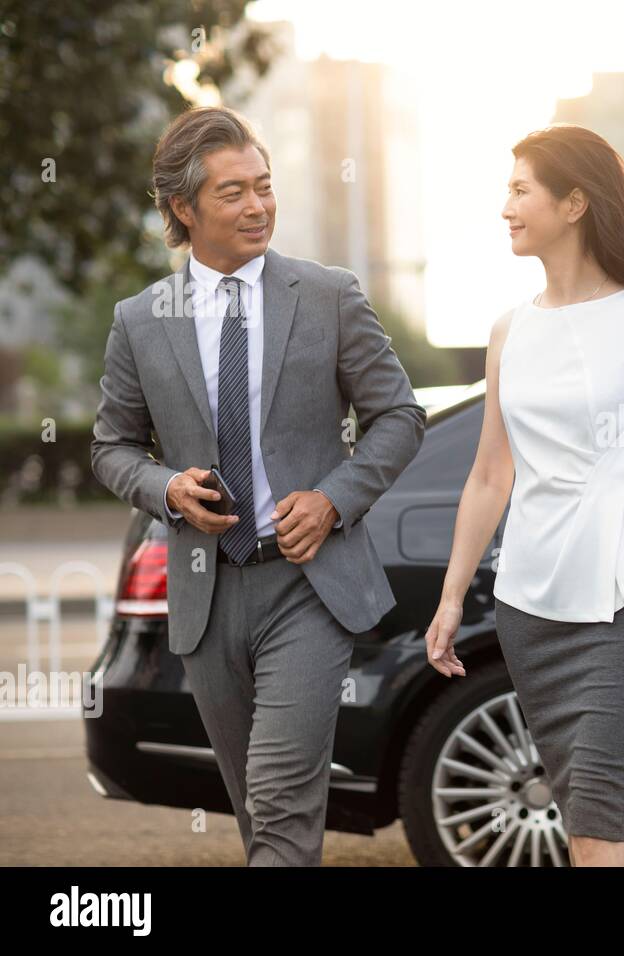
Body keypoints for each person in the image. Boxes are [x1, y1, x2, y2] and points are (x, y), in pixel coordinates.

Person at [90, 106, 425, 865]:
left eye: (264, 187)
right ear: (183, 207)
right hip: (207, 595)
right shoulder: (140, 320)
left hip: (309, 586)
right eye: (233, 192)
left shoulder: (328, 294)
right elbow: (111, 447)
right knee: (258, 813)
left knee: (278, 802)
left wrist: (335, 497)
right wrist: (168, 487)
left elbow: (399, 416)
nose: (258, 206)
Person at [423, 124, 624, 867]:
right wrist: (454, 596)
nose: (507, 208)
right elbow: (492, 472)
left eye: (522, 190)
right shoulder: (508, 331)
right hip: (531, 603)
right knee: (573, 804)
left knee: (595, 804)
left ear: (576, 202)